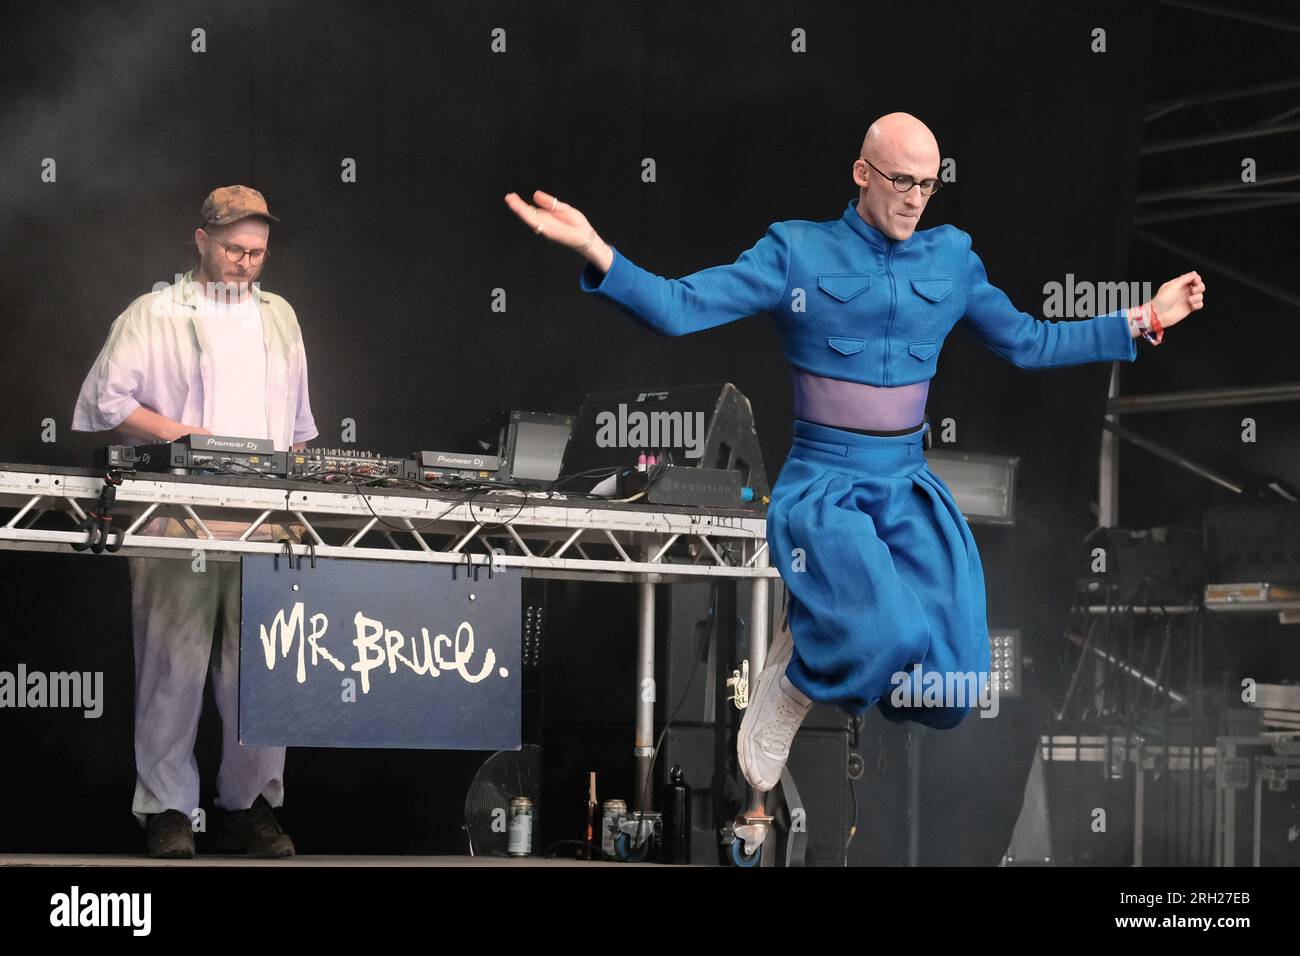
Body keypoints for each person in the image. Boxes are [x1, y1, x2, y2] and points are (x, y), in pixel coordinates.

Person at [504, 113, 1205, 793]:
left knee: (953, 687)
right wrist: (600, 252)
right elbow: (680, 306)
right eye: (901, 180)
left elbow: (1030, 341)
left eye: (928, 185)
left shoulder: (953, 257)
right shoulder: (796, 251)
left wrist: (1141, 319)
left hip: (906, 484)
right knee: (890, 631)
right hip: (825, 483)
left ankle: (825, 637)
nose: (914, 198)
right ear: (862, 173)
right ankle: (798, 681)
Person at [72, 185, 319, 856]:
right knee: (172, 666)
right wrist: (187, 436)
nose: (246, 262)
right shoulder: (153, 312)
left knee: (262, 670)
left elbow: (298, 428)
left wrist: (301, 502)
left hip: (266, 516)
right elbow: (106, 400)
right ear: (202, 240)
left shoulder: (281, 318)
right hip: (176, 512)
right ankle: (167, 810)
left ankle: (248, 806)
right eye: (235, 249)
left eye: (258, 252)